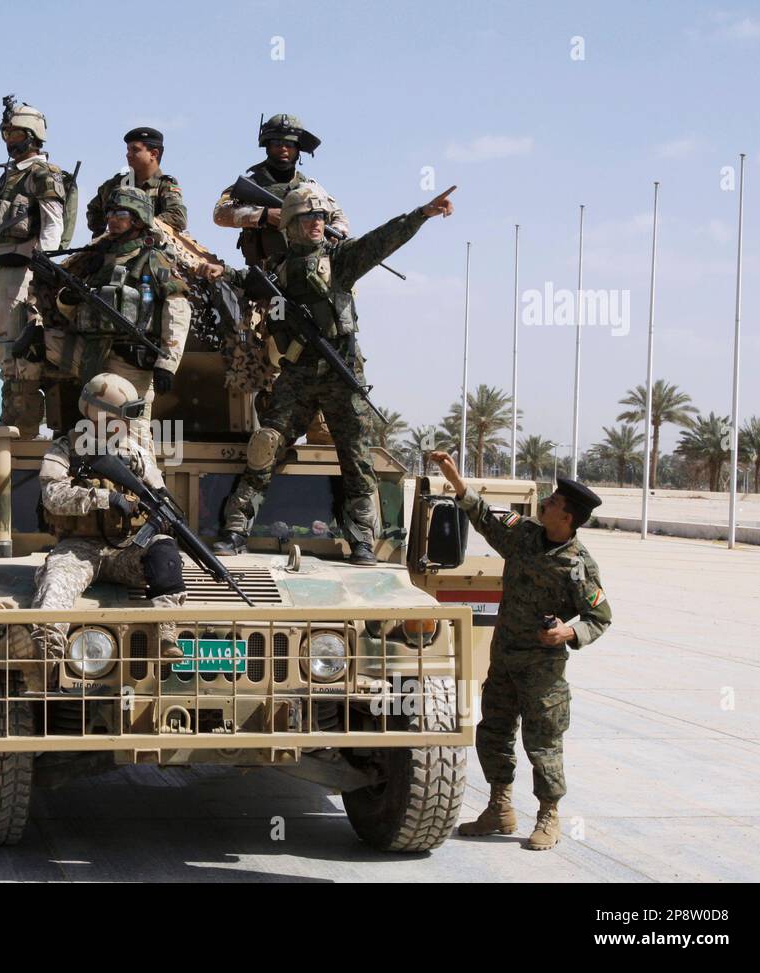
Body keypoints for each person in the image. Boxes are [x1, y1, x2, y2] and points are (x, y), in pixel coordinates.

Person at [213, 183, 456, 564]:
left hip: (340, 373)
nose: (318, 223)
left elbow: (382, 241)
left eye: (322, 216)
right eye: (309, 216)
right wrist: (220, 271)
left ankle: (361, 540)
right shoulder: (277, 268)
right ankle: (235, 529)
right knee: (265, 447)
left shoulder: (340, 260)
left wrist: (421, 214)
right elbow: (247, 280)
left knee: (356, 457)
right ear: (290, 223)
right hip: (297, 374)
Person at [429, 450, 613, 852]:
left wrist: (567, 632)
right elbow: (482, 516)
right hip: (504, 661)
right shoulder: (525, 535)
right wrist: (455, 479)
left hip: (541, 671)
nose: (545, 502)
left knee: (543, 743)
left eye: (554, 502)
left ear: (567, 518)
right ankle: (499, 808)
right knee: (493, 733)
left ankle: (548, 815)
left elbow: (599, 616)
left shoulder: (578, 565)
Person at [29, 373, 187, 661]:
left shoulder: (135, 453)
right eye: (124, 416)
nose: (128, 423)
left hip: (126, 548)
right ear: (102, 415)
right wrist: (106, 498)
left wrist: (161, 513)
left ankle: (166, 634)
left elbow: (159, 492)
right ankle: (47, 657)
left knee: (164, 551)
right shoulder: (65, 449)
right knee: (54, 585)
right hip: (78, 549)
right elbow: (53, 496)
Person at [212, 114, 346, 446]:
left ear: (298, 149)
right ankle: (272, 428)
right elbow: (221, 213)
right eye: (276, 143)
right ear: (266, 146)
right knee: (269, 355)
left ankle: (318, 424)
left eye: (289, 144)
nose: (283, 149)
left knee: (316, 348)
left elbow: (340, 221)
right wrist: (261, 216)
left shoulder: (311, 188)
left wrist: (335, 234)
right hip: (264, 286)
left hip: (305, 284)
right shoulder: (250, 183)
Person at [44, 186, 204, 449]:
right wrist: (67, 300)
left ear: (138, 220)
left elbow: (177, 309)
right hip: (92, 354)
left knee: (132, 439)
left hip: (130, 362)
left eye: (120, 214)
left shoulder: (152, 259)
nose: (111, 220)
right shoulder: (98, 260)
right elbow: (80, 315)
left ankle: (144, 474)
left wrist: (167, 363)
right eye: (109, 214)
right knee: (36, 341)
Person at [0, 95, 69, 438]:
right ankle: (10, 413)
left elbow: (53, 223)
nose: (10, 142)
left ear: (32, 135)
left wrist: (44, 263)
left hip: (22, 267)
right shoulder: (9, 178)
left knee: (19, 341)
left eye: (15, 134)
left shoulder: (43, 174)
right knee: (2, 338)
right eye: (6, 135)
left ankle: (24, 418)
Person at [86, 127, 188, 237]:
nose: (128, 155)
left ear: (153, 154)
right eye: (128, 150)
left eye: (135, 150)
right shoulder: (115, 185)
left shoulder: (164, 186)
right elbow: (94, 212)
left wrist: (140, 224)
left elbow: (178, 217)